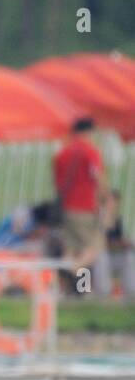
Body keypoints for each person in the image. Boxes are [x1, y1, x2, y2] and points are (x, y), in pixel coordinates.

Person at [52, 117, 109, 279]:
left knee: (72, 249)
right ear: (89, 131)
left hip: (66, 208)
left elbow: (57, 184)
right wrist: (106, 199)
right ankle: (70, 270)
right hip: (85, 207)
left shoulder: (62, 153)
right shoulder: (90, 151)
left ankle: (75, 290)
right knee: (94, 248)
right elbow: (98, 177)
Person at [95, 190, 135, 298]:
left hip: (116, 253)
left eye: (116, 203)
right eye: (111, 202)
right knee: (101, 257)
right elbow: (100, 242)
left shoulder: (117, 219)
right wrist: (120, 243)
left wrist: (125, 243)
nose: (114, 206)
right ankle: (104, 294)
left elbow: (119, 238)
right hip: (102, 255)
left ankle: (131, 293)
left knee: (130, 257)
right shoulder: (98, 218)